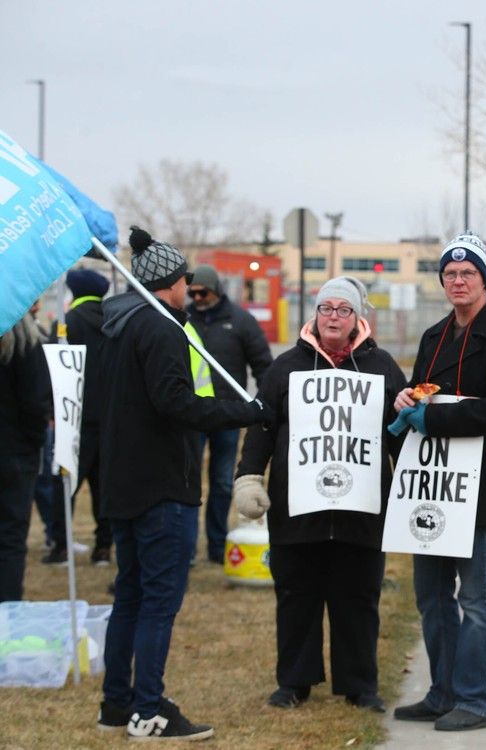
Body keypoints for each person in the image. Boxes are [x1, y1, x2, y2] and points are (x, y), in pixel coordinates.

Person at [96, 227, 272, 741]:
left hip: (123, 484)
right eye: (184, 281)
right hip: (161, 488)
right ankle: (148, 708)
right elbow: (178, 403)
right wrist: (246, 412)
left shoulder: (117, 326)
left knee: (130, 596)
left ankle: (117, 702)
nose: (188, 290)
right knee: (158, 601)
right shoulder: (162, 328)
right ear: (170, 282)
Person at [233, 276, 406, 714]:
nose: (333, 317)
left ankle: (360, 684)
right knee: (296, 596)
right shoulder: (286, 367)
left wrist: (409, 482)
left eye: (342, 310)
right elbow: (263, 424)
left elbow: (399, 432)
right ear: (315, 314)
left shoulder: (381, 367)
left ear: (357, 317)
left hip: (362, 510)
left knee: (359, 597)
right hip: (298, 510)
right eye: (326, 308)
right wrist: (250, 476)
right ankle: (294, 682)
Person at [391, 233, 486, 732]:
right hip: (431, 486)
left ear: (484, 279)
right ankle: (442, 691)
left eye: (467, 273)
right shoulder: (433, 336)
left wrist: (437, 422)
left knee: (476, 597)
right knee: (431, 595)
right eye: (449, 274)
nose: (457, 281)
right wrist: (408, 402)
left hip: (477, 487)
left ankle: (476, 700)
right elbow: (429, 394)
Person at [186, 264, 272, 564]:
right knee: (188, 481)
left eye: (202, 292)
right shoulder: (182, 321)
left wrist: (265, 405)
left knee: (222, 482)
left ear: (216, 290)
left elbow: (263, 365)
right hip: (193, 414)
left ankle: (216, 546)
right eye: (192, 292)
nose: (197, 298)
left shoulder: (240, 321)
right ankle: (186, 549)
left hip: (228, 415)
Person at [42, 269, 114, 566]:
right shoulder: (113, 322)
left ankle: (61, 546)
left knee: (66, 484)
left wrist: (50, 411)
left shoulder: (67, 323)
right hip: (110, 419)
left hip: (75, 417)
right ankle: (103, 548)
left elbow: (52, 370)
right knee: (104, 488)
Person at [0, 311, 50, 602]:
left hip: (17, 450)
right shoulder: (26, 343)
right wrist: (35, 441)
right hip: (15, 453)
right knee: (10, 539)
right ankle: (6, 612)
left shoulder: (24, 343)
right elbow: (35, 402)